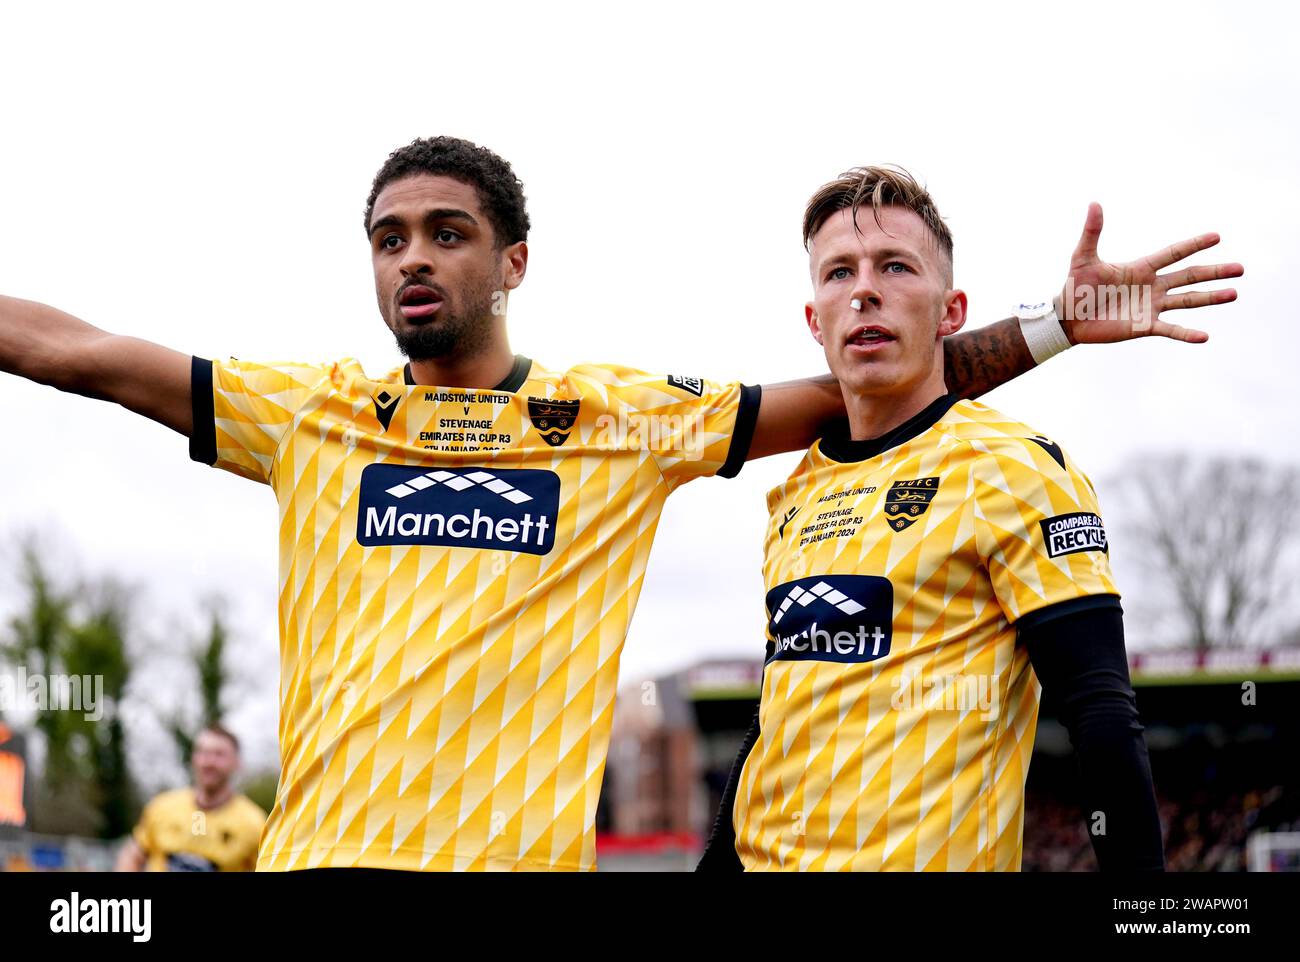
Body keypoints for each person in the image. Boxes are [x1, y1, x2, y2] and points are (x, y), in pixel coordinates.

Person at [0, 138, 1230, 871]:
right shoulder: (309, 413)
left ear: (513, 261)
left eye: (446, 232)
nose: (413, 256)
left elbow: (872, 386)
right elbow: (83, 350)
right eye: (388, 238)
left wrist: (1057, 324)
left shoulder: (620, 421)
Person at [698, 166, 1240, 872]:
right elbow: (773, 721)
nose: (864, 288)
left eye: (895, 266)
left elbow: (1100, 713)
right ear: (814, 321)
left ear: (951, 312)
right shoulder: (796, 493)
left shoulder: (1013, 467)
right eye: (838, 273)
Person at [116, 724, 266, 872]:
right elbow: (133, 856)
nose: (208, 762)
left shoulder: (255, 823)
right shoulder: (162, 807)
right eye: (203, 753)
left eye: (219, 754)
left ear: (237, 763)